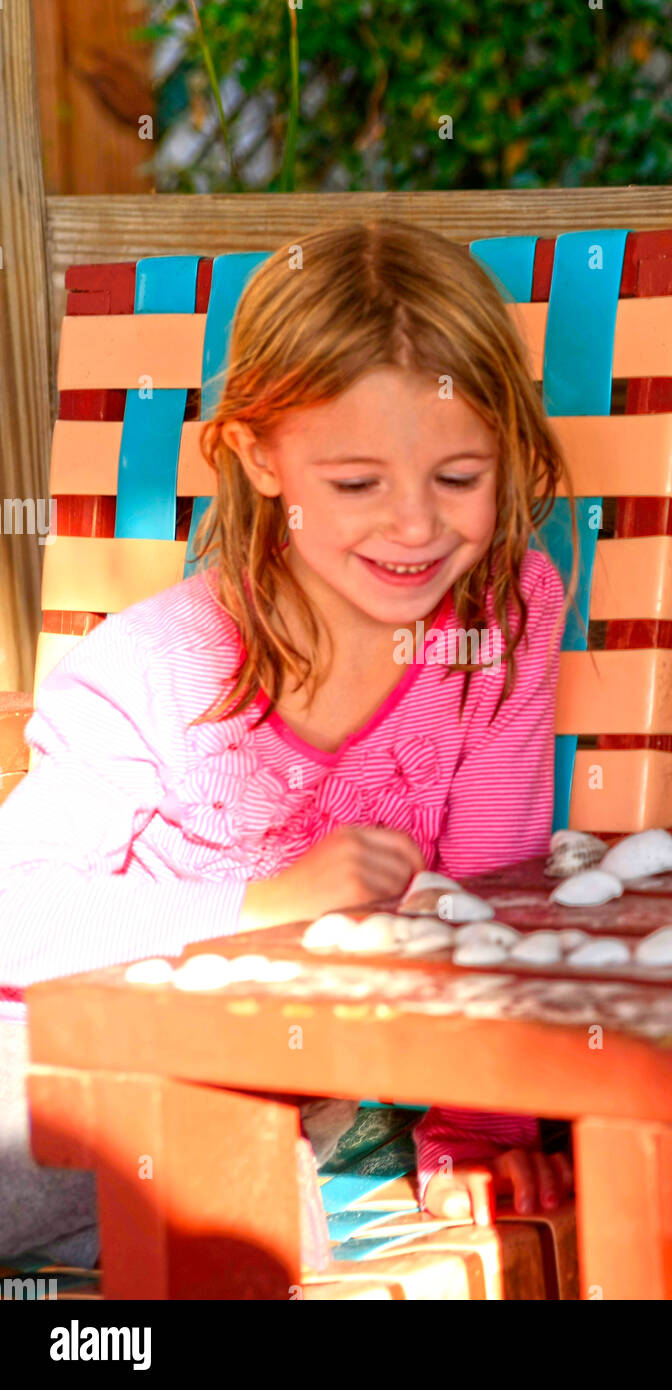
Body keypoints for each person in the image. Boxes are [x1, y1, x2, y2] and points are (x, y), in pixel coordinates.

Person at [0, 218, 577, 1272]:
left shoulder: (500, 618)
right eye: (356, 484)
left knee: (244, 1197)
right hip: (58, 1065)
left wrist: (480, 1127)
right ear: (258, 456)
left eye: (458, 477)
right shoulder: (152, 664)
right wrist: (262, 904)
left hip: (271, 1106)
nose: (414, 526)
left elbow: (492, 883)